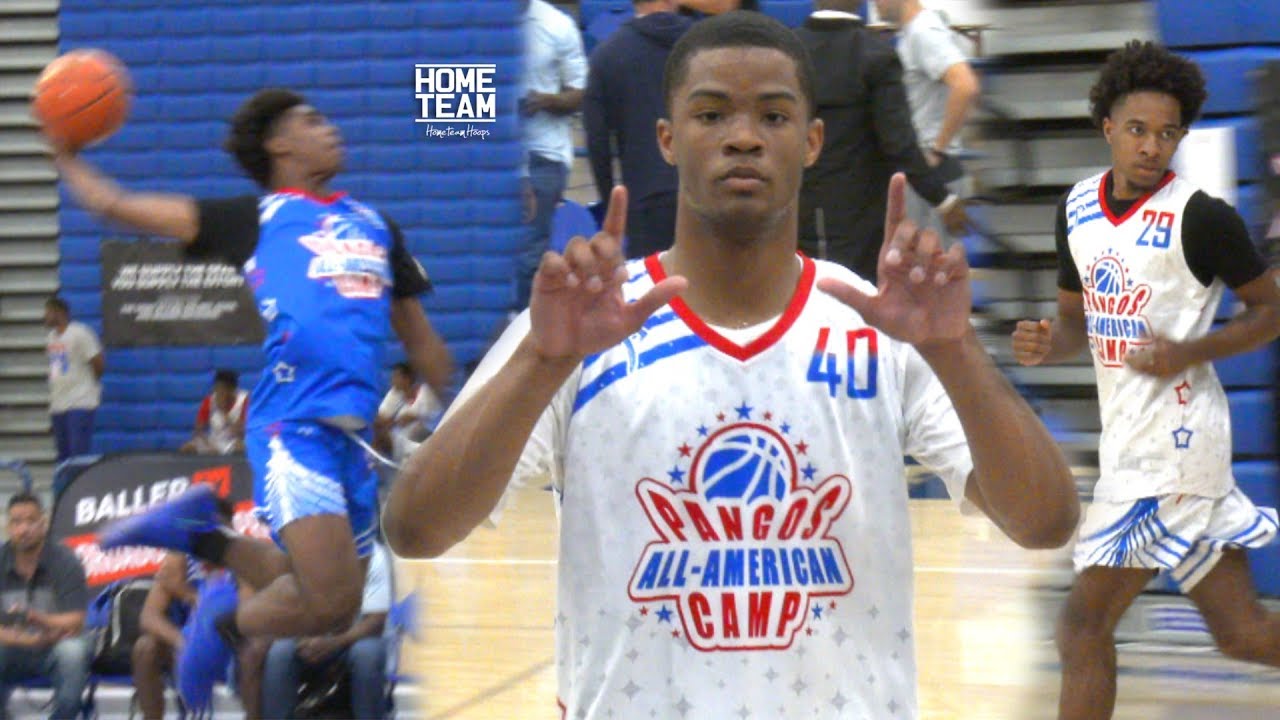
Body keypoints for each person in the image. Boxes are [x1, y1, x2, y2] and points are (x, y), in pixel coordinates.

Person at [385, 12, 1079, 718]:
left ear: (812, 142)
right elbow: (417, 529)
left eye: (773, 116)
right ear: (667, 139)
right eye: (711, 113)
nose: (743, 136)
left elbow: (1045, 522)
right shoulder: (576, 328)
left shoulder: (881, 325)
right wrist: (540, 360)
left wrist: (955, 352)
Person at [45, 87, 455, 712]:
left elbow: (425, 347)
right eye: (313, 121)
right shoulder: (255, 218)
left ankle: (201, 537)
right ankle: (221, 630)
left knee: (335, 600)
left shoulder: (376, 224)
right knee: (324, 600)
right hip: (292, 427)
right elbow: (113, 204)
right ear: (278, 144)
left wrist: (467, 398)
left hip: (353, 440)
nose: (332, 129)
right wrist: (66, 150)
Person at [1011, 41, 1280, 720]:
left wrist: (1189, 351)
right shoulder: (1076, 211)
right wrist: (1049, 343)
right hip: (1131, 447)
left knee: (1081, 625)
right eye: (1138, 130)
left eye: (1167, 133)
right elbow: (1077, 324)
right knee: (1244, 635)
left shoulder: (1202, 217)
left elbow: (1270, 310)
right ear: (1107, 125)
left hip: (1174, 453)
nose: (1152, 146)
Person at [796, 0, 966, 281]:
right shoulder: (877, 55)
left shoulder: (787, 50)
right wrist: (942, 199)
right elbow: (898, 144)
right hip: (858, 215)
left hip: (795, 206)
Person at [132, 500, 269, 720]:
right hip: (189, 639)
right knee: (145, 648)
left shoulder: (244, 554)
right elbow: (148, 617)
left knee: (252, 652)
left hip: (230, 639)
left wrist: (194, 598)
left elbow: (245, 614)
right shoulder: (181, 557)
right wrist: (180, 641)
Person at [584, 0, 693, 260]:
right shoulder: (708, 47)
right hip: (707, 194)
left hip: (644, 201)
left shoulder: (608, 54)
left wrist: (613, 206)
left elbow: (597, 141)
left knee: (652, 292)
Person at [872, 0, 979, 243]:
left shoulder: (924, 32)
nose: (875, 5)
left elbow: (965, 85)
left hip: (932, 170)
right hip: (923, 170)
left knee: (933, 273)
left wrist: (937, 148)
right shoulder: (913, 33)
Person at [260, 540, 393, 720]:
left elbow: (376, 622)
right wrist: (303, 638)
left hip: (356, 638)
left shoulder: (374, 555)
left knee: (367, 654)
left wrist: (333, 643)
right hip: (311, 636)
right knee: (280, 652)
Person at [517, 0, 588, 310]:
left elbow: (580, 92)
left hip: (542, 155)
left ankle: (519, 335)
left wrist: (545, 101)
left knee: (528, 254)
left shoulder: (556, 25)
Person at [0, 493, 90, 720]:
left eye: (31, 521)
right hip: (13, 645)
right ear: (7, 527)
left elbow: (76, 620)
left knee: (74, 652)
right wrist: (25, 639)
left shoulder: (65, 560)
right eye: (16, 522)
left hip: (57, 645)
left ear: (44, 523)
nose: (23, 529)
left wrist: (39, 619)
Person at [44, 296, 103, 463]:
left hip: (80, 401)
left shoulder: (80, 333)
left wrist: (88, 385)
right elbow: (58, 370)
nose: (45, 316)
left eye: (48, 312)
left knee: (78, 454)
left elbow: (98, 362)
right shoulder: (52, 337)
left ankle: (80, 488)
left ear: (59, 313)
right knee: (63, 456)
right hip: (60, 404)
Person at [374, 363, 441, 463]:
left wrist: (415, 417)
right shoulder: (394, 393)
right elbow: (382, 416)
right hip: (400, 443)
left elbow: (432, 418)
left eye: (396, 377)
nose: (392, 381)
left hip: (421, 445)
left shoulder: (426, 392)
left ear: (407, 379)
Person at [179, 369, 249, 455]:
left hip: (233, 442)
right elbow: (198, 431)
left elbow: (241, 432)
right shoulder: (209, 401)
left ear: (232, 390)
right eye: (216, 388)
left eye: (222, 389)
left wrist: (223, 412)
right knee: (187, 448)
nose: (218, 392)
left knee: (242, 447)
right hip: (213, 442)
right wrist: (206, 444)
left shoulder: (243, 400)